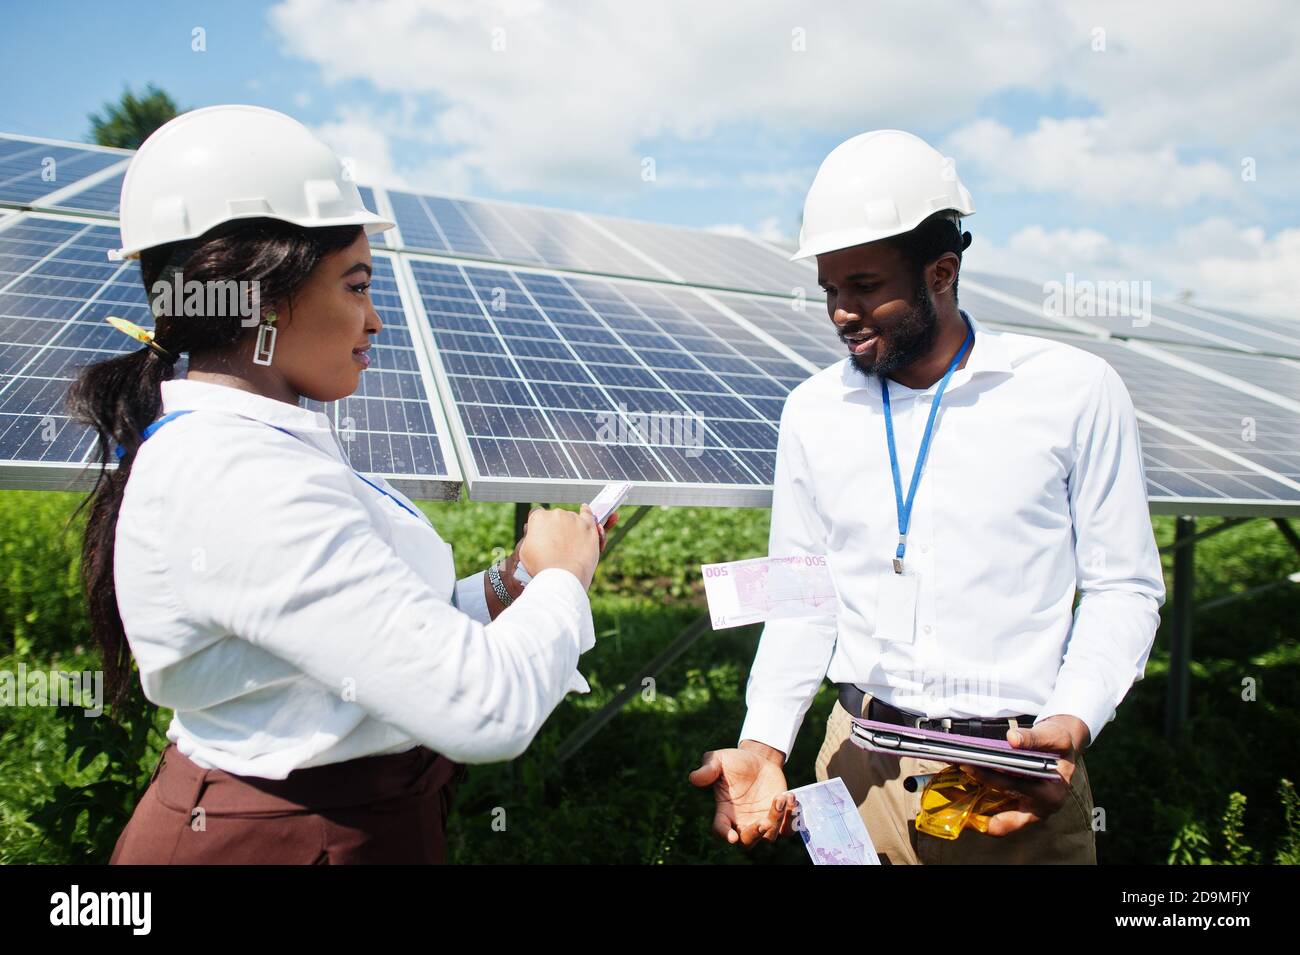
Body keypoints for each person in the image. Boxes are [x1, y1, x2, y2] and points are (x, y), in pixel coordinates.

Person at [66, 105, 614, 864]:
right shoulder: (237, 476)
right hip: (279, 841)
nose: (376, 319)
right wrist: (563, 582)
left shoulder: (257, 450)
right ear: (259, 297)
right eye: (356, 285)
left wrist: (509, 583)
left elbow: (360, 636)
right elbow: (484, 708)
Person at [690, 129, 1166, 864]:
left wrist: (1072, 719)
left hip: (1009, 772)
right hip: (852, 769)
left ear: (941, 271)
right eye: (829, 289)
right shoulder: (812, 411)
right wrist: (763, 740)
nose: (841, 311)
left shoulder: (1072, 390)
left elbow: (1124, 587)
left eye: (866, 286)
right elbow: (800, 595)